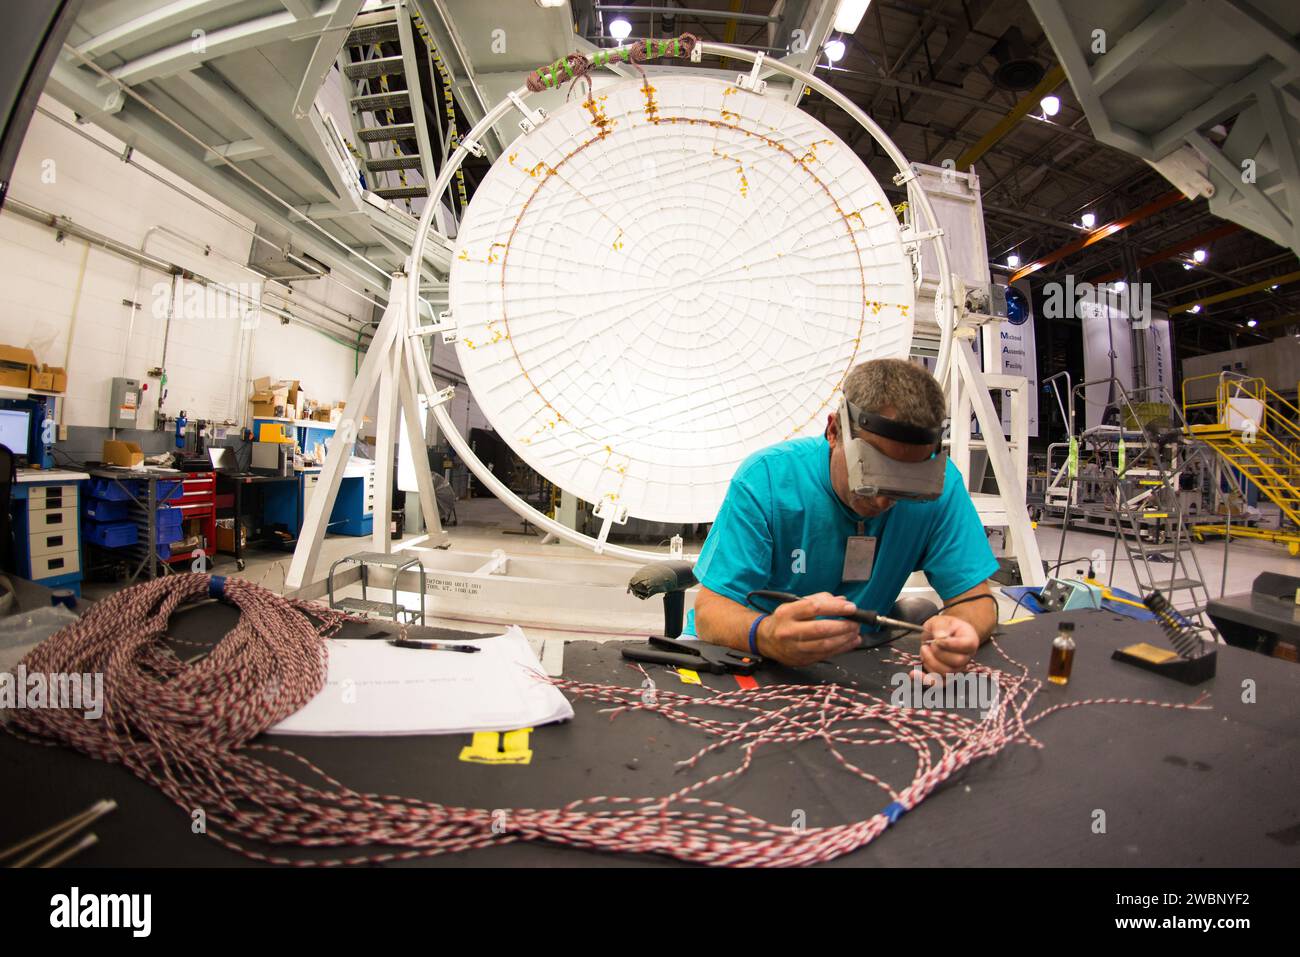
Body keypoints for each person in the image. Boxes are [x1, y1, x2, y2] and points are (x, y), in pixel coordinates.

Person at [691, 358, 999, 673]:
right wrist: (767, 634)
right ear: (834, 431)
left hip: (850, 664)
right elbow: (710, 613)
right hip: (742, 657)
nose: (882, 501)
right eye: (870, 475)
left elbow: (975, 601)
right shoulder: (768, 479)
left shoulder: (943, 487)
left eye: (905, 486)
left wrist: (961, 631)